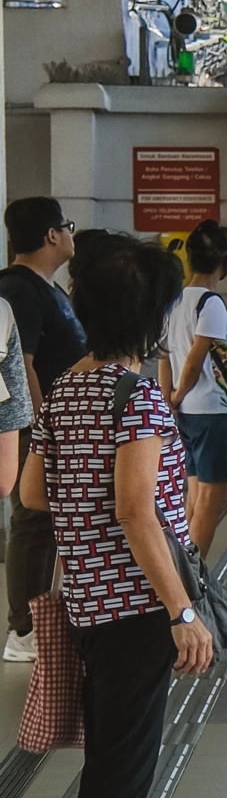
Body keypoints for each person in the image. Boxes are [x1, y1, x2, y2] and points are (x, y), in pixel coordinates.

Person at [21, 230, 212, 798]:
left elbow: (34, 495)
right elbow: (138, 513)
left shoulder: (70, 387)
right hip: (137, 613)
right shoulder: (135, 398)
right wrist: (182, 612)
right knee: (118, 780)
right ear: (153, 317)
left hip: (90, 607)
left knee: (111, 770)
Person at [1, 198, 84, 664]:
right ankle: (24, 630)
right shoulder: (18, 289)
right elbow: (23, 365)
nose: (71, 235)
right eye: (67, 227)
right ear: (52, 235)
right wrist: (41, 430)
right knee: (32, 523)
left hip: (48, 428)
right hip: (34, 431)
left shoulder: (44, 288)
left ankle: (43, 621)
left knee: (46, 525)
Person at [159, 220, 227, 555]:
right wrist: (177, 395)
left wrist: (170, 399)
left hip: (187, 414)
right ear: (226, 261)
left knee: (194, 496)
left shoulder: (174, 301)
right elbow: (196, 355)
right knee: (211, 500)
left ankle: (183, 572)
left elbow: (164, 357)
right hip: (211, 411)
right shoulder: (211, 303)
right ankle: (196, 581)